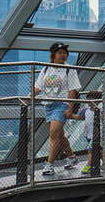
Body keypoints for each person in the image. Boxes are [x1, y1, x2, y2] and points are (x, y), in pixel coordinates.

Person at [30, 42, 81, 178]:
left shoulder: (69, 69)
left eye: (65, 53)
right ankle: (72, 157)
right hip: (48, 105)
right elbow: (38, 87)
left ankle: (49, 165)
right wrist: (29, 97)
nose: (63, 55)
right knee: (59, 135)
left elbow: (72, 90)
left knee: (53, 135)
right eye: (60, 53)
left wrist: (70, 107)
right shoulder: (46, 69)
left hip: (61, 105)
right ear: (53, 55)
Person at [77, 91, 104, 176]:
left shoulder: (100, 110)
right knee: (97, 148)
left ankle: (89, 165)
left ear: (97, 101)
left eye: (91, 100)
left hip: (96, 134)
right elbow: (78, 117)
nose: (89, 102)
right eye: (88, 100)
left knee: (90, 150)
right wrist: (68, 115)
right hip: (88, 133)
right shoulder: (85, 110)